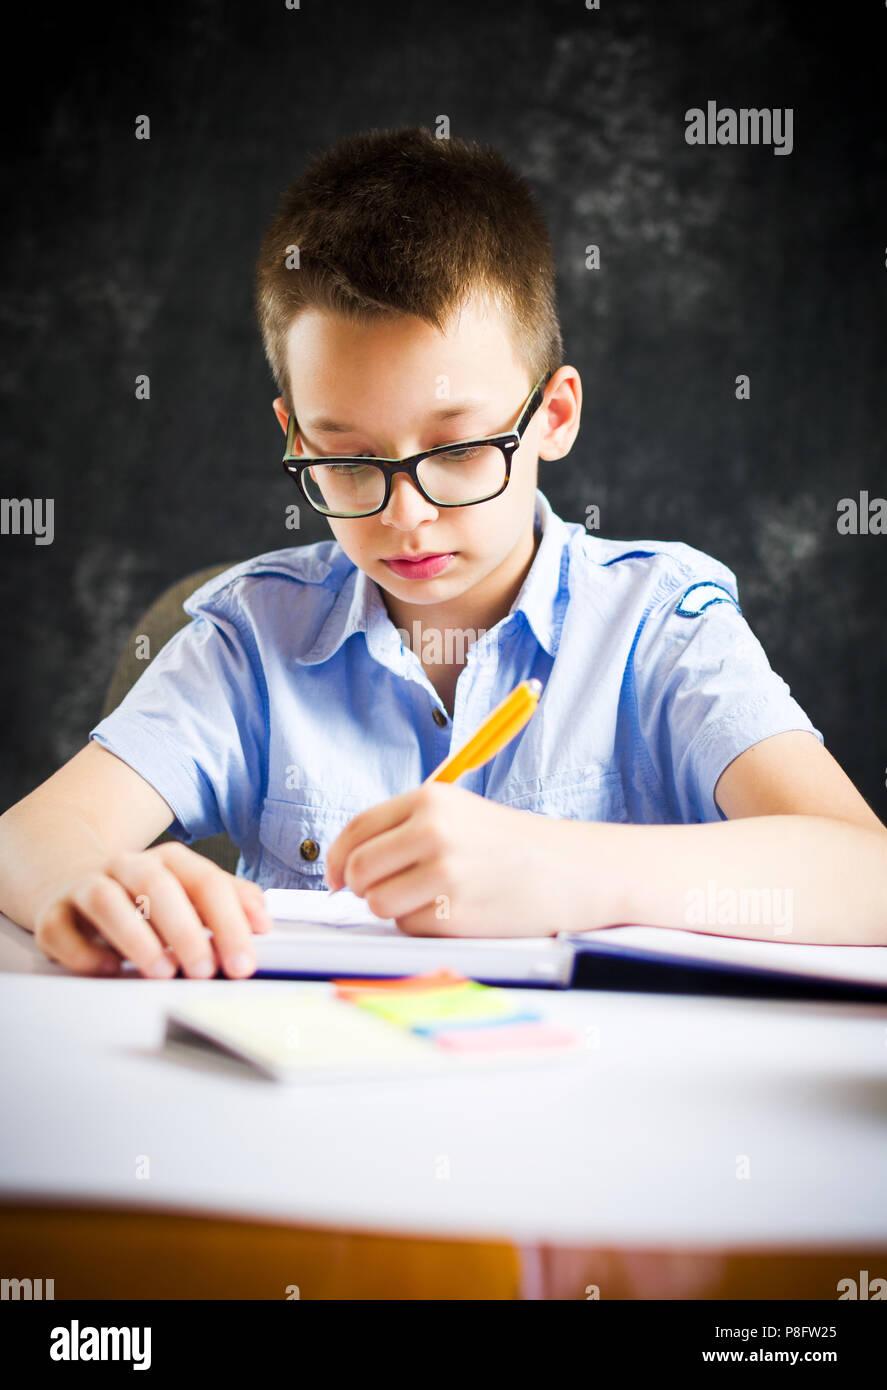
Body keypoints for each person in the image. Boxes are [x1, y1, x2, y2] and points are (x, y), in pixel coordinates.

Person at [2, 126, 885, 980]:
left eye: (458, 452)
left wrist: (572, 871)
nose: (407, 517)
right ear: (296, 437)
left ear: (553, 416)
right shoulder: (251, 638)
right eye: (347, 461)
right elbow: (26, 842)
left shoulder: (659, 626)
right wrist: (93, 888)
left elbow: (866, 873)